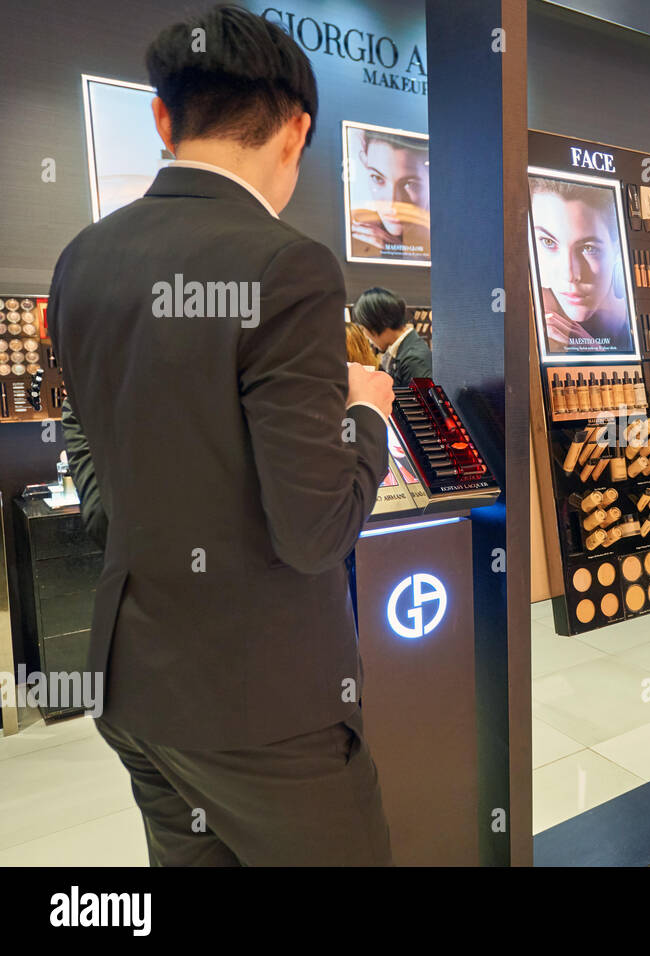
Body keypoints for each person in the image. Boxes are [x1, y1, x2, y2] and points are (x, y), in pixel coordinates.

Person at [46, 5, 395, 866]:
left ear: (163, 118)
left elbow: (91, 454)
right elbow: (316, 530)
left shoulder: (81, 260)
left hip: (136, 684)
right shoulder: (289, 264)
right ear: (297, 129)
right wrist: (367, 416)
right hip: (265, 709)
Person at [530, 176, 633, 355]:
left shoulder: (635, 322)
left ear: (617, 247)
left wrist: (595, 353)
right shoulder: (539, 315)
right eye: (548, 242)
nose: (570, 274)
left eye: (588, 248)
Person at [349, 127, 431, 261]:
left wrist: (399, 252)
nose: (392, 203)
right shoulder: (354, 230)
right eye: (377, 178)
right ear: (364, 162)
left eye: (409, 184)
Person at [351, 287, 432, 386]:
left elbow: (417, 400)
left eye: (364, 329)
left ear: (377, 323)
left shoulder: (413, 359)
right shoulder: (403, 351)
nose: (366, 337)